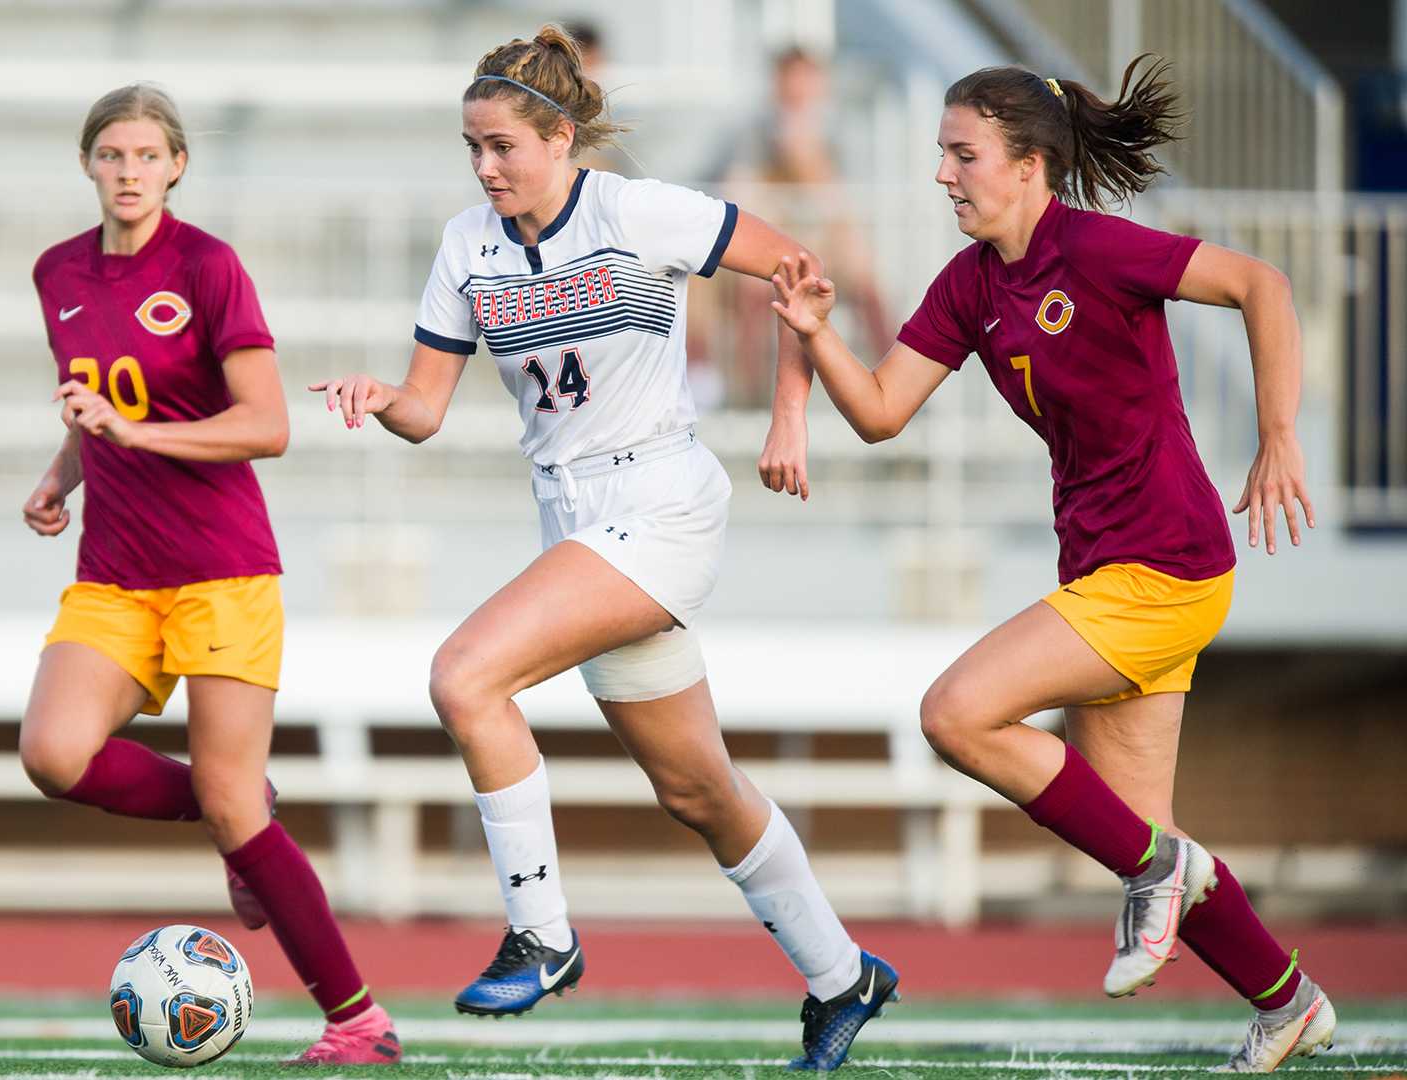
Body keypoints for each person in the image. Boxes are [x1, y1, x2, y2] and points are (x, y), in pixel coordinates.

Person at [309, 25, 897, 1071]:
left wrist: (791, 413)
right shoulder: (466, 247)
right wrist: (380, 398)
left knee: (465, 678)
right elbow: (427, 410)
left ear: (561, 137)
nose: (485, 167)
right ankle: (843, 975)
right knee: (698, 790)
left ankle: (543, 936)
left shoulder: (638, 210)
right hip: (574, 522)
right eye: (471, 148)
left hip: (662, 502)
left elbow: (799, 270)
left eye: (501, 146)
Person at [768, 59, 1332, 1073]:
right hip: (1106, 571)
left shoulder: (1097, 247)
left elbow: (1262, 284)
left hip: (1166, 565)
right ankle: (1287, 998)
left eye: (962, 153)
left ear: (1031, 165)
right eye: (942, 153)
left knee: (957, 715)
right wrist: (817, 336)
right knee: (1142, 842)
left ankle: (1168, 877)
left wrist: (1279, 432)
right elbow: (884, 413)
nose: (943, 174)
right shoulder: (971, 282)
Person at [17, 83, 400, 1066]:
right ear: (88, 165)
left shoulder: (208, 266)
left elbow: (266, 426)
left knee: (229, 805)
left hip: (221, 572)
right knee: (54, 754)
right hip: (113, 573)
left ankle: (357, 1020)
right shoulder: (56, 270)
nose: (130, 172)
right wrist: (61, 475)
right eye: (113, 155)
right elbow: (91, 401)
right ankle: (241, 806)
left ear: (178, 165)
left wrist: (132, 435)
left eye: (148, 156)